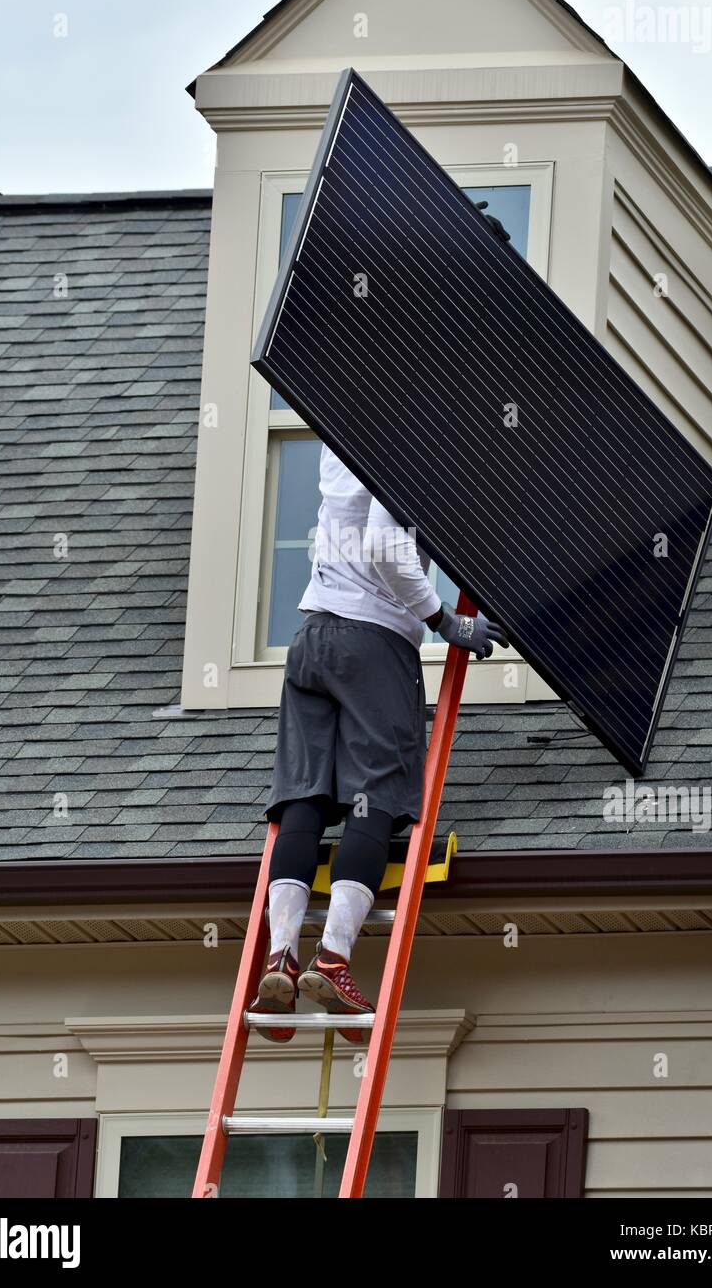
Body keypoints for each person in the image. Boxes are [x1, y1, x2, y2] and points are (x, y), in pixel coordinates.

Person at [248, 445, 508, 1043]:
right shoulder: (403, 445)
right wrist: (445, 621)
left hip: (311, 637)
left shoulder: (342, 437)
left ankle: (280, 957)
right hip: (373, 643)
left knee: (305, 799)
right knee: (374, 800)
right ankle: (333, 959)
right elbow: (387, 549)